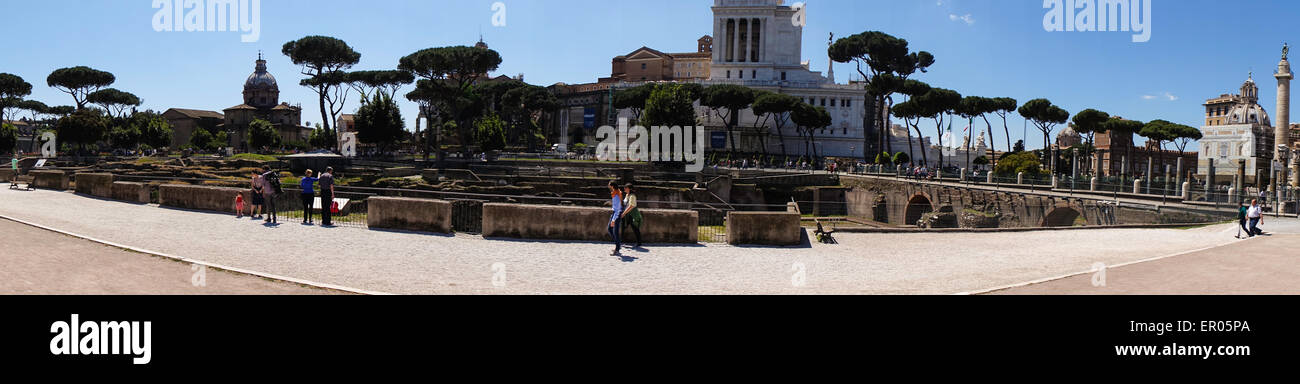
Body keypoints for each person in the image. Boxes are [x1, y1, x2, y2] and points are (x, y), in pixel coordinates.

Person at [621, 184, 643, 249]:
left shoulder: (632, 196)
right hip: (627, 214)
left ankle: (639, 242)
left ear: (629, 189)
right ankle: (620, 240)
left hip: (633, 214)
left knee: (635, 228)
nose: (624, 189)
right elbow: (625, 203)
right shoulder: (627, 195)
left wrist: (624, 213)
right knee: (623, 226)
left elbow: (631, 206)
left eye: (626, 188)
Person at [607, 181, 624, 256]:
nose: (608, 186)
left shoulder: (616, 194)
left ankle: (617, 248)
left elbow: (618, 208)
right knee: (610, 229)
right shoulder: (615, 193)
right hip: (615, 212)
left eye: (609, 185)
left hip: (617, 213)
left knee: (614, 231)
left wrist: (614, 219)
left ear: (612, 186)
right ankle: (618, 245)